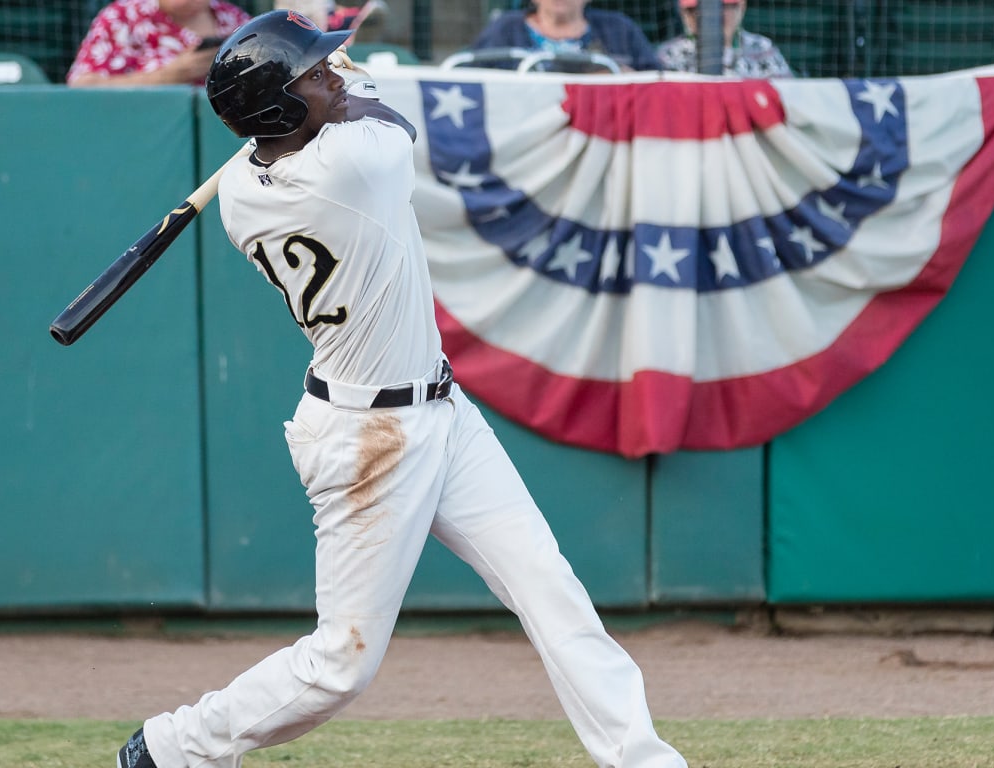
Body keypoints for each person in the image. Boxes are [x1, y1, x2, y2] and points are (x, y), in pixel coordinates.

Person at [114, 10, 688, 768]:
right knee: (338, 668)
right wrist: (337, 53)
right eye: (310, 75)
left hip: (440, 412)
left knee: (550, 588)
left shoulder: (247, 198)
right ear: (281, 111)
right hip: (368, 444)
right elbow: (377, 107)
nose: (328, 75)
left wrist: (312, 56)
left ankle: (644, 760)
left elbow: (325, 104)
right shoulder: (355, 166)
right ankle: (172, 747)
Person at [67, 0, 251, 87]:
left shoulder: (235, 19)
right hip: (146, 135)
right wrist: (170, 75)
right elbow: (81, 86)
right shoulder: (123, 17)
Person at [468, 0, 660, 72]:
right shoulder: (504, 30)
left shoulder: (620, 29)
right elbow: (470, 81)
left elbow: (658, 83)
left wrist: (621, 76)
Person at [656, 0, 792, 77]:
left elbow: (783, 98)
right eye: (693, 10)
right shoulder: (669, 55)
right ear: (683, 14)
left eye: (723, 7)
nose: (707, 16)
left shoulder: (762, 48)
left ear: (741, 7)